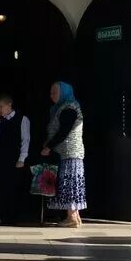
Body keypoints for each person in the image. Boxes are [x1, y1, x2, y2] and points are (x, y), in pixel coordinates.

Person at [41, 82, 86, 228]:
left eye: (55, 92)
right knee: (71, 183)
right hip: (67, 152)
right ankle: (75, 217)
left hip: (70, 152)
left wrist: (49, 146)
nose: (52, 95)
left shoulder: (69, 107)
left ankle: (72, 217)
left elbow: (64, 131)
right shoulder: (61, 107)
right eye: (51, 92)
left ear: (64, 93)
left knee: (70, 183)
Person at [0, 94, 30, 227]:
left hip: (15, 158)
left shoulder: (22, 119)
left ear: (9, 105)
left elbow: (25, 140)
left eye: (1, 106)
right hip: (1, 158)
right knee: (0, 187)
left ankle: (12, 216)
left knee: (13, 187)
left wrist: (22, 158)